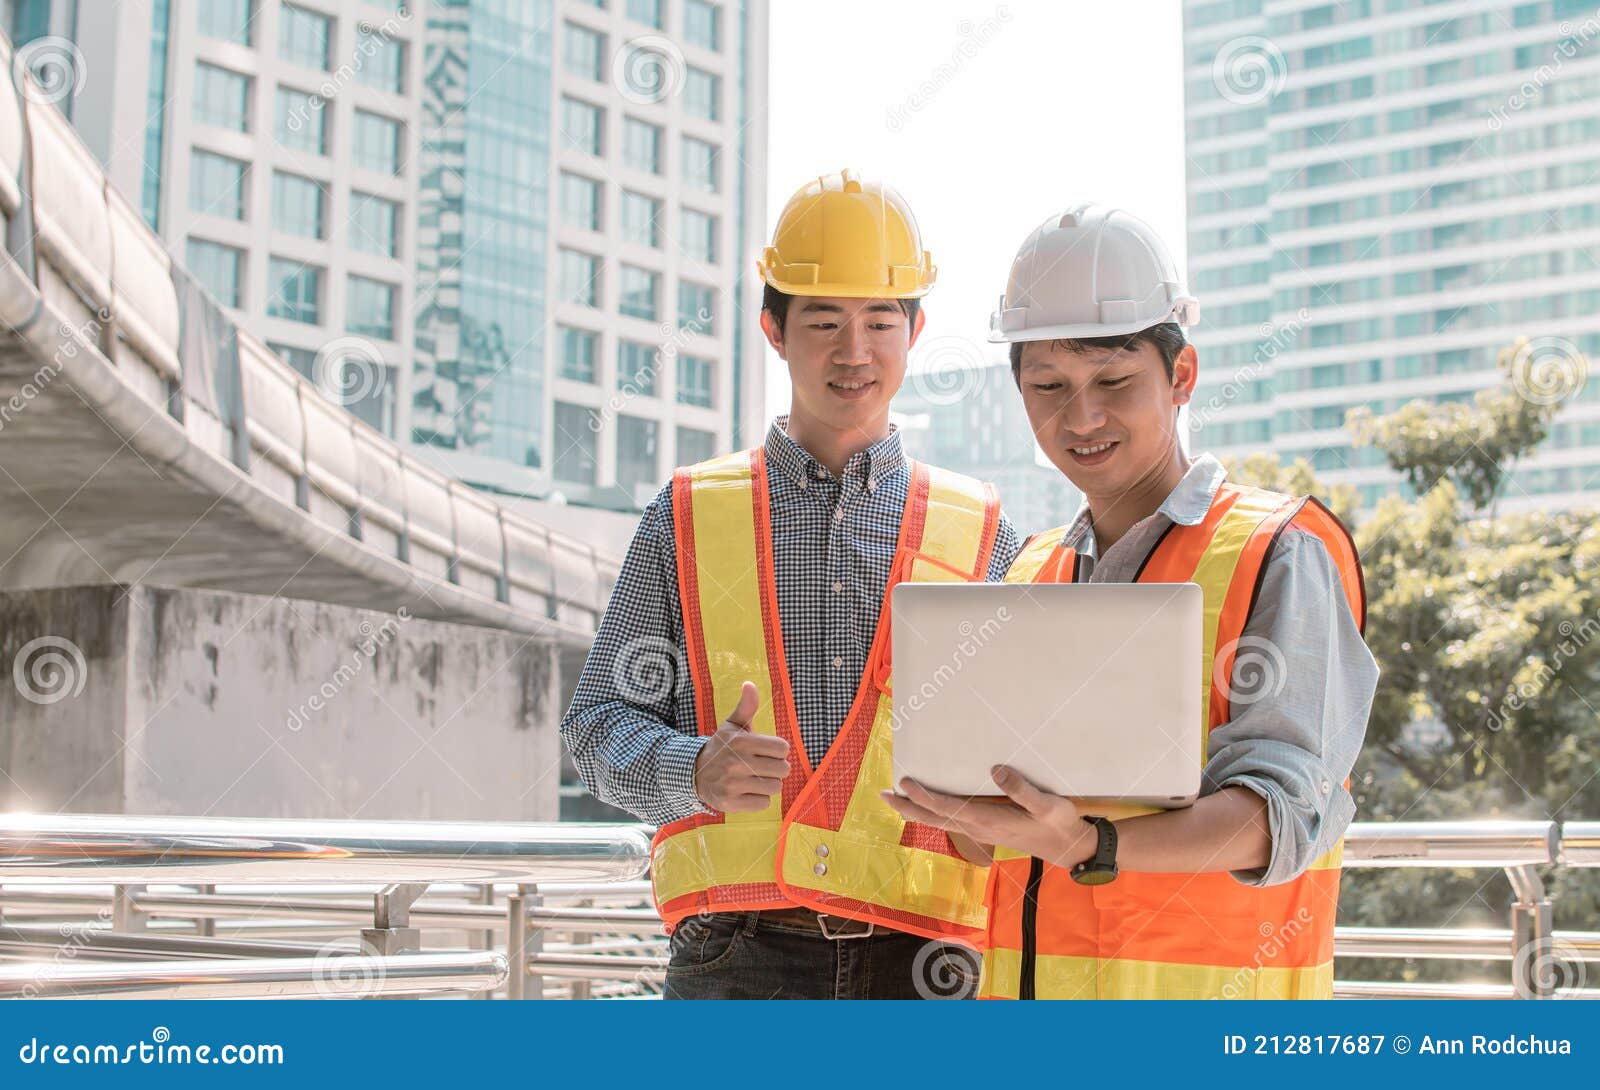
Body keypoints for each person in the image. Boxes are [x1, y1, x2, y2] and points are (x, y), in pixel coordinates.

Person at [885, 203, 1377, 999]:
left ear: (1181, 376)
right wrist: (967, 819)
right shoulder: (1028, 574)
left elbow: (1282, 816)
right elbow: (995, 847)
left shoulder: (1281, 550)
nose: (1081, 417)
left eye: (1113, 381)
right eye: (1048, 385)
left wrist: (1088, 841)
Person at [561, 170, 1021, 999]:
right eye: (824, 321)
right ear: (774, 329)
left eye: (881, 320)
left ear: (915, 331)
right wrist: (690, 768)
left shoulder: (984, 532)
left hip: (929, 963)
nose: (855, 350)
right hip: (739, 957)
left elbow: (1033, 747)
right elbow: (595, 728)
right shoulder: (689, 515)